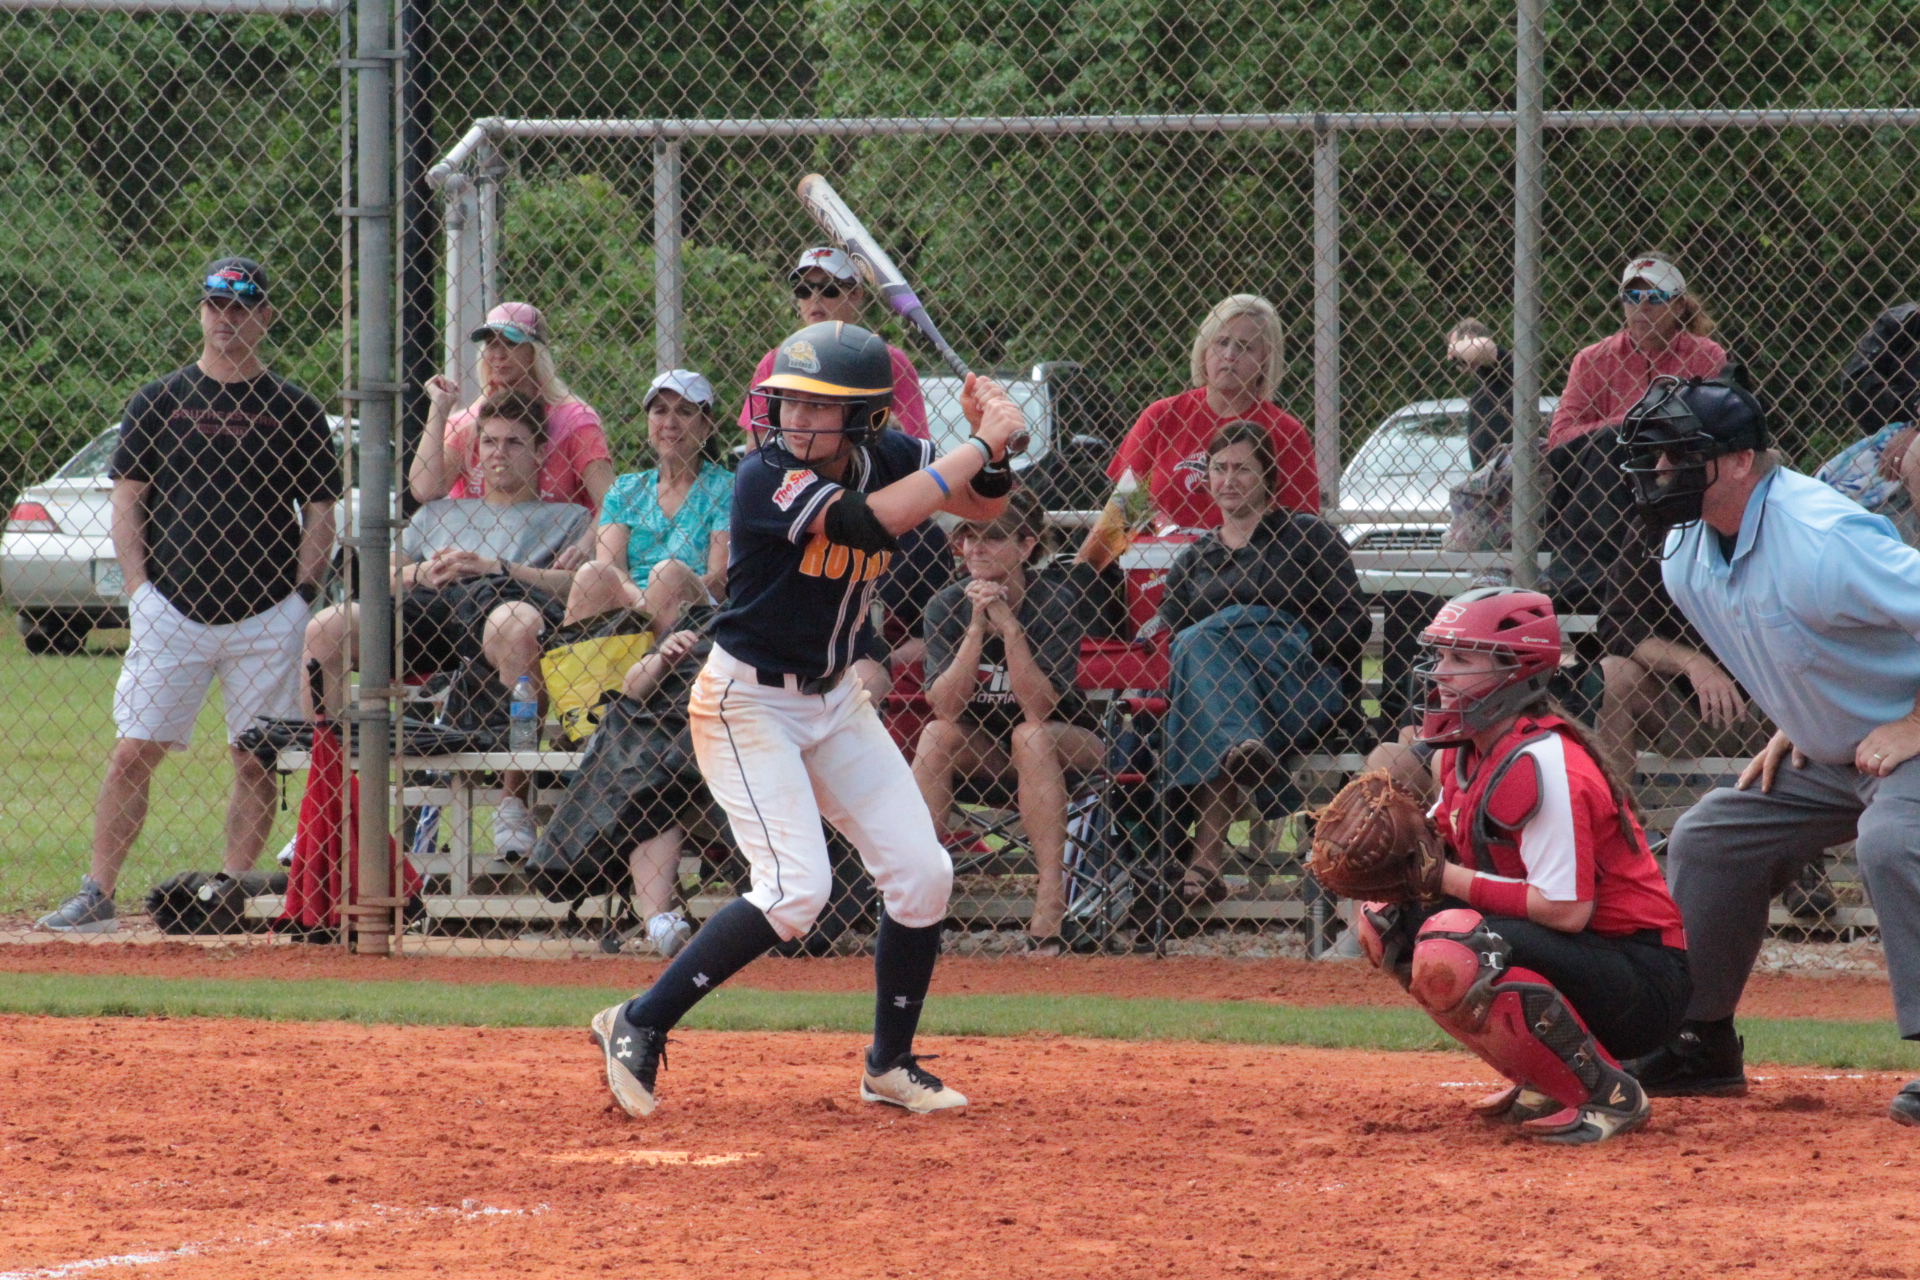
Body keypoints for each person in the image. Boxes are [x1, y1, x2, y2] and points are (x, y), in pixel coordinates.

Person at [591, 320, 1024, 1119]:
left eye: (817, 406)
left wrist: (995, 447)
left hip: (831, 701)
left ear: (865, 419)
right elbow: (869, 523)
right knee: (796, 890)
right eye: (788, 400)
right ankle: (639, 1021)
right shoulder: (765, 476)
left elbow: (981, 500)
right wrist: (980, 442)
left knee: (924, 876)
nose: (793, 417)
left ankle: (889, 1065)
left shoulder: (890, 455)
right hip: (746, 702)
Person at [1614, 376, 1920, 1126]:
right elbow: (1785, 640)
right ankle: (1698, 1037)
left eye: (1679, 455)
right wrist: (1799, 715)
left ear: (1741, 461)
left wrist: (1917, 726)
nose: (1661, 473)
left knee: (1894, 843)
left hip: (1904, 742)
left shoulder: (1821, 538)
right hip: (1834, 752)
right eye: (1657, 457)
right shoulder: (1684, 551)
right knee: (1712, 839)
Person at [38, 257, 339, 934]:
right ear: (200, 311)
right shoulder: (159, 401)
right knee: (132, 750)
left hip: (266, 612)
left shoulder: (293, 408)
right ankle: (97, 892)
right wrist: (139, 590)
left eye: (242, 307)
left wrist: (302, 595)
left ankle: (224, 894)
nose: (226, 319)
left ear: (264, 316)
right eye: (214, 305)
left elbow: (321, 510)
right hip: (172, 609)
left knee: (253, 757)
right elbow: (128, 504)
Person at [1354, 587, 1691, 1145]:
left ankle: (1610, 1094)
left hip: (1642, 974)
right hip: (1587, 957)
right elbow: (1441, 856)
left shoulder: (1543, 760)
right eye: (1441, 656)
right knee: (1385, 921)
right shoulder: (1466, 755)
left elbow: (1565, 910)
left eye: (1461, 658)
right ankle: (1546, 1078)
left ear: (1514, 671)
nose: (1440, 673)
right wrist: (1398, 864)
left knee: (1456, 944)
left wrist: (1444, 880)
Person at [306, 392, 588, 854]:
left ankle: (513, 797)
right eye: (490, 442)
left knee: (518, 624)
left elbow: (575, 586)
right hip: (431, 605)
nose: (499, 453)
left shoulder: (568, 518)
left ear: (540, 452)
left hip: (504, 600)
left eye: (514, 443)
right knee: (326, 627)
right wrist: (422, 571)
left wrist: (496, 567)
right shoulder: (439, 512)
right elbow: (384, 574)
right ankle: (329, 799)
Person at [1142, 422, 1366, 907]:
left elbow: (1352, 623)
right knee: (1209, 674)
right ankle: (1240, 763)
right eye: (1218, 469)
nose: (1229, 479)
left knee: (1204, 643)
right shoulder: (1194, 560)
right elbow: (1169, 644)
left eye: (1242, 468)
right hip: (1233, 707)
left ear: (1268, 476)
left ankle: (1203, 859)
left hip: (1299, 684)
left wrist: (1272, 637)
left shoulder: (1308, 537)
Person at [913, 489, 1103, 949]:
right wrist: (977, 628)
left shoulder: (1052, 600)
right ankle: (915, 896)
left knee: (1030, 734)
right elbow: (946, 707)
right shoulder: (946, 604)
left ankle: (1050, 898)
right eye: (968, 536)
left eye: (992, 537)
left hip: (1069, 746)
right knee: (937, 735)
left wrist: (1011, 629)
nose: (976, 548)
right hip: (987, 752)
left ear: (1026, 545)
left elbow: (1040, 706)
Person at [1077, 294, 1318, 565]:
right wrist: (1080, 578)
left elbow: (1302, 531)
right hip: (1160, 569)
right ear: (1204, 350)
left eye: (1245, 347)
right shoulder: (1162, 416)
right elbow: (1123, 512)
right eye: (1222, 342)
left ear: (1266, 359)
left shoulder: (1285, 432)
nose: (1229, 356)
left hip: (1248, 576)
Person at [411, 301, 613, 539]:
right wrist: (439, 409)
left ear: (535, 352)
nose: (498, 354)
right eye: (491, 343)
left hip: (552, 548)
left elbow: (610, 503)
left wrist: (584, 545)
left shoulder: (574, 419)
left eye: (511, 343)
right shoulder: (468, 422)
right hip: (479, 547)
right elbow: (425, 490)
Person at [562, 369, 731, 632]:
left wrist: (659, 594)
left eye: (685, 412)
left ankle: (661, 666)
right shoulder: (626, 489)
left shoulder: (727, 488)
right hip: (628, 607)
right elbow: (611, 566)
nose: (670, 423)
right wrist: (641, 600)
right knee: (591, 574)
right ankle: (577, 670)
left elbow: (718, 580)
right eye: (660, 411)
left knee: (669, 574)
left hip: (693, 614)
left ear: (706, 424)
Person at [1593, 550, 1769, 780]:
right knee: (1614, 673)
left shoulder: (1780, 526)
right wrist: (1692, 662)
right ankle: (1618, 811)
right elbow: (1618, 624)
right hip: (1683, 708)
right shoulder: (1660, 525)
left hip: (1769, 703)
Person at [737, 247, 929, 441]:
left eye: (829, 288)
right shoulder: (776, 361)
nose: (815, 298)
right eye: (803, 289)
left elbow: (914, 444)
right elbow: (756, 447)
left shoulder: (887, 360)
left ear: (855, 294)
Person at [1548, 254, 1727, 451]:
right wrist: (1630, 423)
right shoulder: (1593, 359)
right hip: (1611, 470)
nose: (1642, 307)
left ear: (1678, 306)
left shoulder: (1704, 354)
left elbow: (1717, 431)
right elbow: (1560, 436)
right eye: (1632, 297)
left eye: (1655, 297)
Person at [1446, 317, 1513, 471]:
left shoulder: (1499, 366)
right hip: (1491, 477)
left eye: (1456, 357)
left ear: (1470, 338)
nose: (1453, 360)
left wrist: (1456, 347)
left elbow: (1483, 348)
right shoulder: (1483, 378)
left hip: (1507, 474)